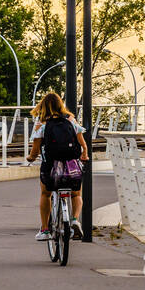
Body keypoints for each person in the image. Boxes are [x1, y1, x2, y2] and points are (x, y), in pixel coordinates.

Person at [26, 91, 89, 241]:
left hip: (51, 168)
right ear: (61, 105)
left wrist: (30, 157)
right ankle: (74, 219)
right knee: (76, 194)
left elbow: (35, 151)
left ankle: (45, 230)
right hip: (71, 166)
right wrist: (84, 155)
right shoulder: (71, 120)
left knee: (45, 194)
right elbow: (82, 144)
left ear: (43, 107)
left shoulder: (41, 124)